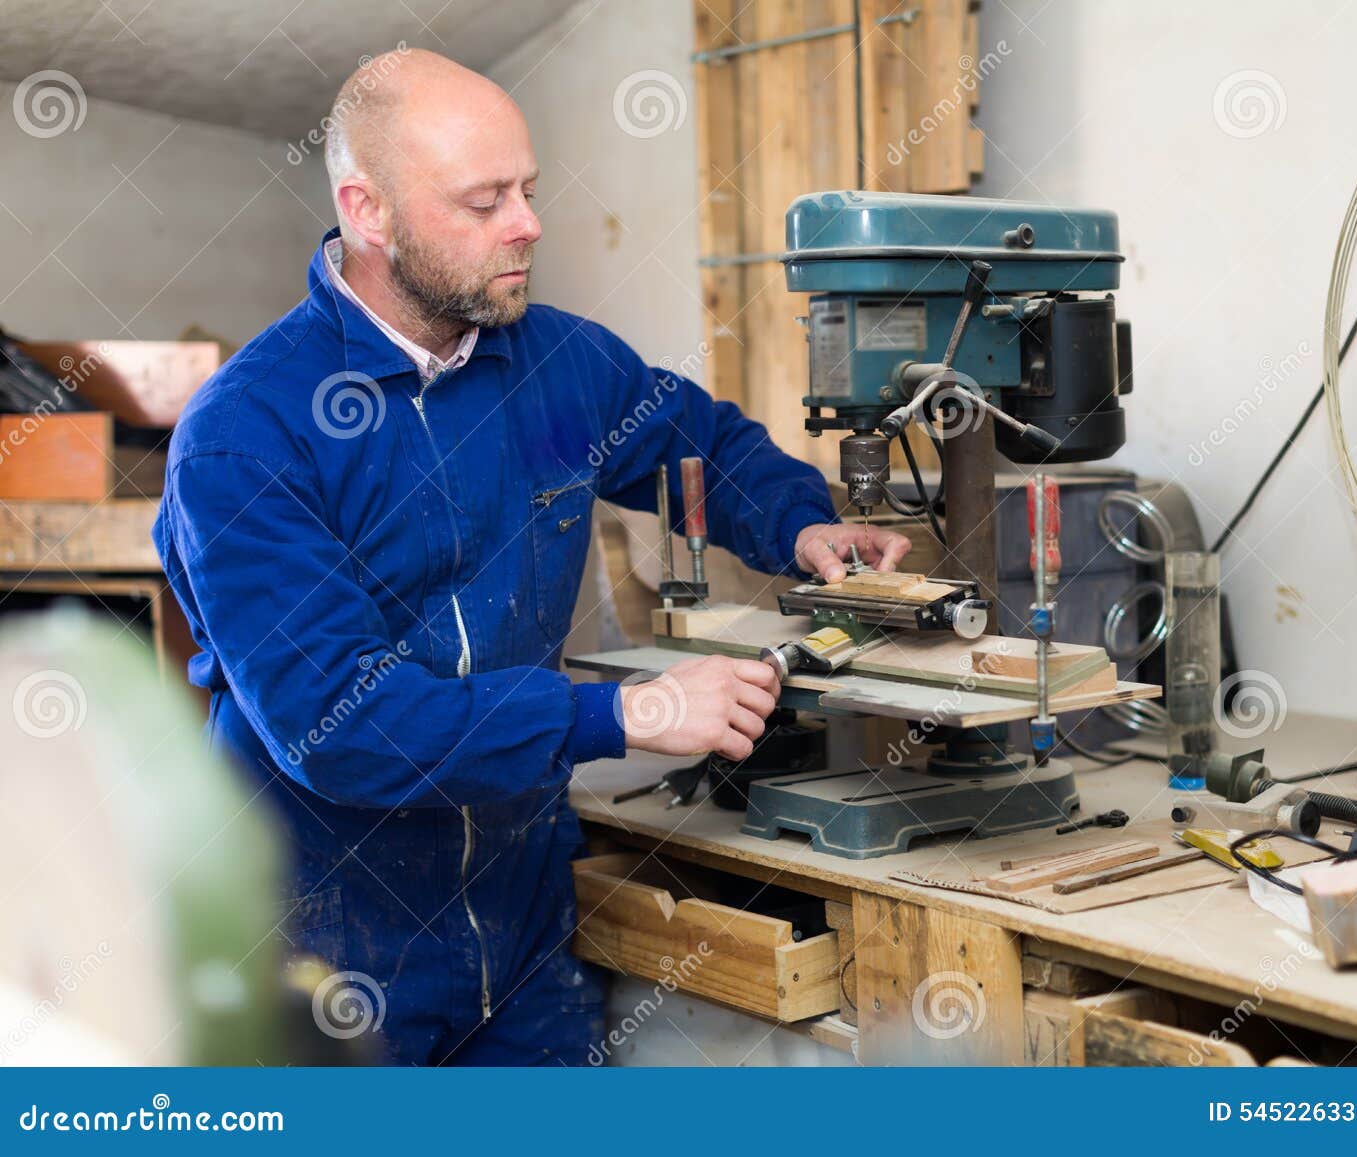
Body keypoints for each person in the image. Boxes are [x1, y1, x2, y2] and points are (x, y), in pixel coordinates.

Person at [153, 49, 910, 1065]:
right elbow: (341, 724)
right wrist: (625, 711)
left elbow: (703, 444)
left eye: (529, 190)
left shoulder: (555, 364)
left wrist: (797, 521)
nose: (528, 225)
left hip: (518, 928)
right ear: (368, 210)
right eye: (483, 202)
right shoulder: (246, 433)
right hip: (323, 945)